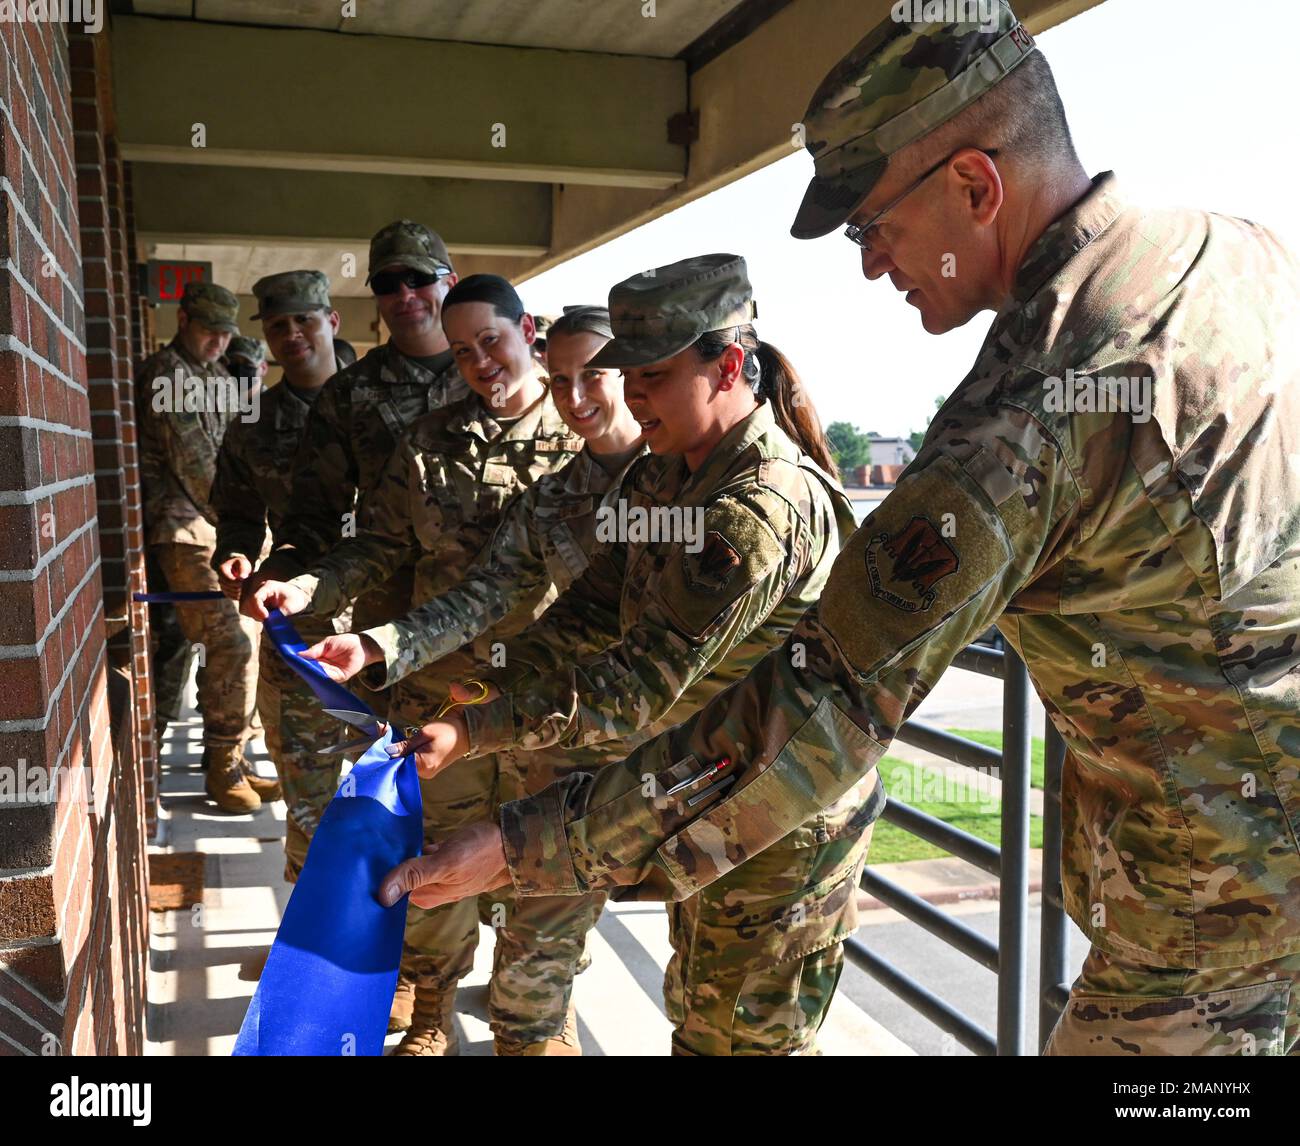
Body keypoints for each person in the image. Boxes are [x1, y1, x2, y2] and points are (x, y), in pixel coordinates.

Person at [384, 2, 1300, 1057]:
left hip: (1215, 921)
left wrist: (519, 843)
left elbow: (824, 703)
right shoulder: (1240, 256)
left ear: (974, 184)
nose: (871, 265)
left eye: (872, 225)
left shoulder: (1032, 410)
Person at [379, 254, 881, 1055]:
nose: (632, 394)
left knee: (745, 1041)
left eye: (650, 373)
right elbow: (585, 614)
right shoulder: (660, 479)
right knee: (698, 1017)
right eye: (629, 375)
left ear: (726, 367)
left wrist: (482, 734)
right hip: (714, 797)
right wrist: (472, 705)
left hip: (782, 820)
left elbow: (632, 686)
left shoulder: (757, 507)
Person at [245, 275, 586, 1055]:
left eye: (491, 343)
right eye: (462, 351)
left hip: (550, 700)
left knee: (550, 854)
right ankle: (431, 1008)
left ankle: (546, 1008)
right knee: (435, 863)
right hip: (444, 688)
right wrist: (304, 586)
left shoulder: (585, 438)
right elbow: (379, 546)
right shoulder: (430, 440)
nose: (479, 363)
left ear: (526, 331)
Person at [297, 305, 646, 1054]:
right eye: (564, 380)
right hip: (496, 698)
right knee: (457, 853)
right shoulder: (553, 493)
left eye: (596, 376)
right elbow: (478, 593)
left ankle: (547, 1013)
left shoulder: (682, 483)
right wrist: (378, 643)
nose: (577, 395)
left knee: (561, 877)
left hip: (621, 720)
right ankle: (439, 1008)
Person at [211, 271, 341, 827]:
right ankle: (311, 911)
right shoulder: (254, 422)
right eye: (278, 324)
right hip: (297, 626)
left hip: (390, 624)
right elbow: (239, 516)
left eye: (305, 320)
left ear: (331, 322)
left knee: (398, 796)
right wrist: (234, 556)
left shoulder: (379, 407)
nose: (293, 333)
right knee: (308, 799)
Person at [134, 280, 261, 797]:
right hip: (183, 528)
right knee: (229, 642)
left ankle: (232, 753)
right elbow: (199, 467)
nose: (218, 342)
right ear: (183, 320)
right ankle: (222, 766)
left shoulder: (213, 373)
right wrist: (246, 523)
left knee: (241, 637)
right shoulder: (167, 375)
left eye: (226, 334)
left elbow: (236, 450)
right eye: (209, 330)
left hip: (217, 526)